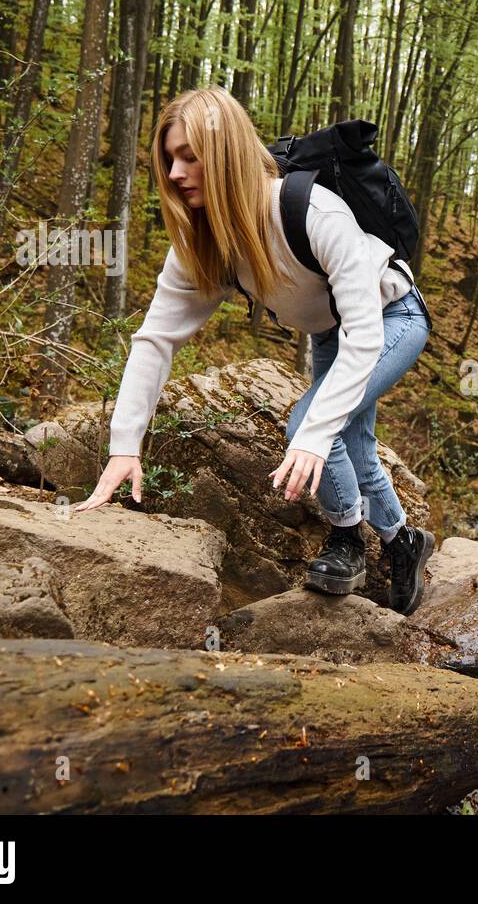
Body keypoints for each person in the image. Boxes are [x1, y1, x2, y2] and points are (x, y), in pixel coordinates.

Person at [74, 85, 434, 616]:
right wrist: (124, 445)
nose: (174, 173)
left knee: (314, 426)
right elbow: (155, 341)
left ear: (226, 156)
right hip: (330, 331)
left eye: (190, 157)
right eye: (170, 158)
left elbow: (365, 334)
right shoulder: (205, 242)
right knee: (355, 444)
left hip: (391, 319)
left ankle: (347, 540)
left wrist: (311, 435)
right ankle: (405, 545)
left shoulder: (312, 210)